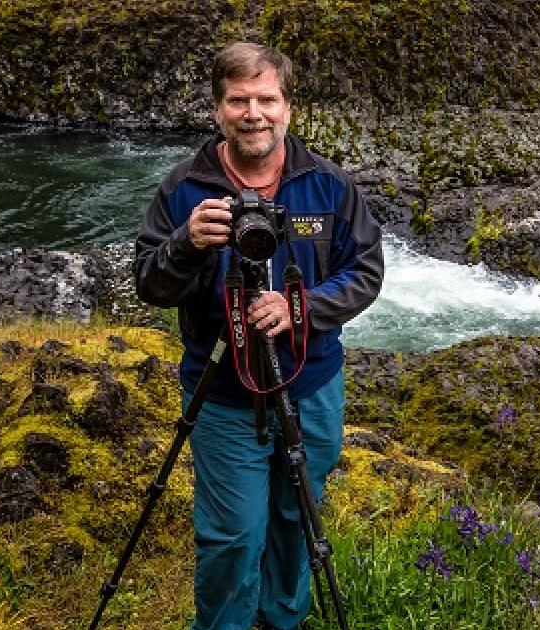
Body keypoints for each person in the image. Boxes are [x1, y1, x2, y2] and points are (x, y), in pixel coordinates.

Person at [133, 42, 383, 630]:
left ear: (287, 107)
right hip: (222, 393)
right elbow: (149, 283)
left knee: (297, 518)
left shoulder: (326, 186)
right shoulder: (184, 190)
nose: (254, 114)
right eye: (238, 101)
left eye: (266, 100)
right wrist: (186, 243)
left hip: (311, 386)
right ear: (217, 110)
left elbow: (365, 272)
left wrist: (302, 307)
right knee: (233, 535)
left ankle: (282, 619)